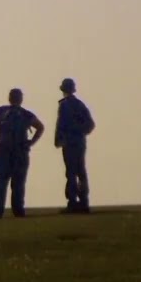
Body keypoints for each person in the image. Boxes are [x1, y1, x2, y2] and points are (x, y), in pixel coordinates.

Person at [0, 89, 45, 218]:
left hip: (3, 151)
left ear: (9, 98)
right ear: (21, 99)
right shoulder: (26, 114)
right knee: (18, 183)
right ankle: (18, 211)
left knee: (1, 183)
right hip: (20, 152)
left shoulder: (1, 111)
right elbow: (40, 127)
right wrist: (31, 142)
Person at [55, 78, 96, 213]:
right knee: (80, 171)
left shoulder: (64, 105)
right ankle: (83, 201)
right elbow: (90, 124)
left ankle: (73, 202)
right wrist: (80, 132)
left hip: (70, 142)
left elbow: (60, 124)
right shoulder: (79, 105)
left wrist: (60, 139)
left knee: (71, 172)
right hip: (79, 142)